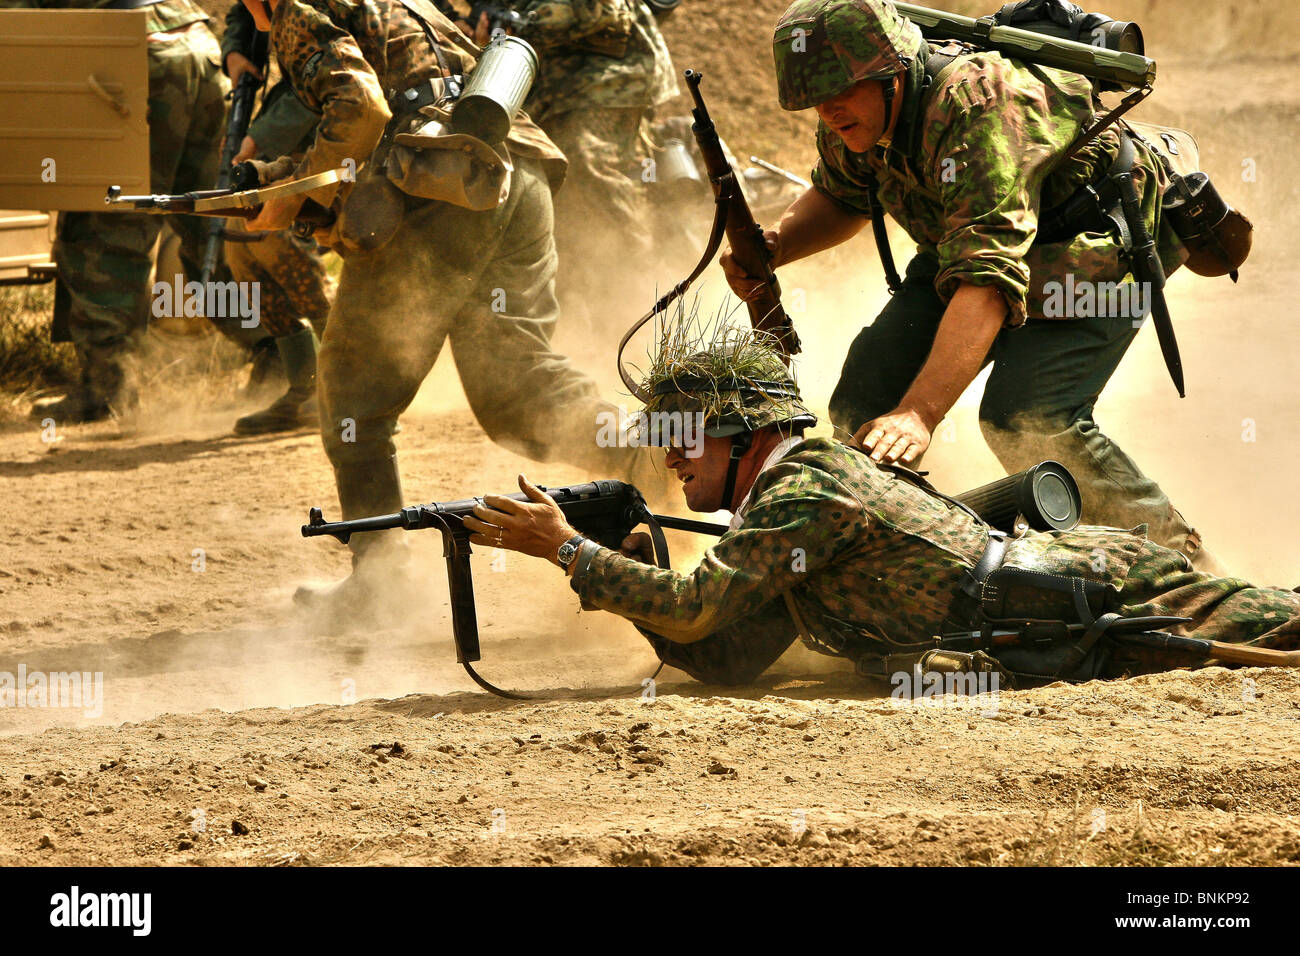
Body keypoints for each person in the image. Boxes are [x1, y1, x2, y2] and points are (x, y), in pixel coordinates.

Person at [464, 330, 1300, 686]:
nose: (673, 460)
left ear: (746, 434)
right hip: (1053, 622)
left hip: (1087, 591)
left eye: (689, 439)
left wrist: (571, 551)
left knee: (1280, 625)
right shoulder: (782, 520)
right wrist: (633, 567)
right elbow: (727, 658)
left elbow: (694, 609)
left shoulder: (804, 490)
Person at [720, 0, 1219, 570]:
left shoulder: (979, 107)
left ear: (895, 72)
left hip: (1091, 249)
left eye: (843, 91)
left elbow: (986, 280)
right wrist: (779, 245)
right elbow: (842, 195)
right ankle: (893, 561)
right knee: (866, 398)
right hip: (969, 242)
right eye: (816, 99)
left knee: (1030, 419)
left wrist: (921, 414)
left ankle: (1181, 566)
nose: (828, 110)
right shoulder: (857, 109)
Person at [237, 0, 660, 610]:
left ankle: (380, 588)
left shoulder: (299, 11)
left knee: (354, 392)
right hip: (517, 174)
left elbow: (360, 106)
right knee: (514, 388)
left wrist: (292, 190)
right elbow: (397, 110)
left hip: (443, 188)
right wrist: (286, 180)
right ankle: (657, 458)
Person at [8, 0, 253, 423]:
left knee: (102, 230)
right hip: (198, 46)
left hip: (135, 57)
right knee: (205, 224)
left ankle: (107, 390)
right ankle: (284, 354)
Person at [460, 0, 677, 336]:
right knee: (553, 202)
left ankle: (639, 291)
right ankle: (581, 323)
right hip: (552, 91)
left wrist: (518, 25)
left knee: (589, 171)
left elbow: (602, 9)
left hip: (610, 81)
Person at [220, 0, 334, 434]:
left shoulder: (318, 11)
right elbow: (243, 14)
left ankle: (352, 392)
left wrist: (259, 136)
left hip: (330, 127)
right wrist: (235, 50)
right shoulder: (269, 8)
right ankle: (305, 390)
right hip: (287, 118)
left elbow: (330, 80)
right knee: (242, 246)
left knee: (285, 249)